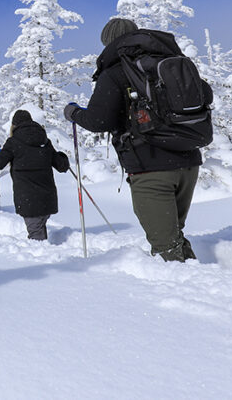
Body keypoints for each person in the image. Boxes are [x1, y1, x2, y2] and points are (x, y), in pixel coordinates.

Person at [63, 17, 212, 262]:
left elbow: (99, 122)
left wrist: (74, 113)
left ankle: (187, 294)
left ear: (109, 42)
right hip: (188, 162)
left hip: (151, 168)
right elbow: (205, 94)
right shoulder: (169, 62)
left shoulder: (115, 71)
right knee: (173, 236)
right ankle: (199, 283)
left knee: (167, 248)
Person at [0, 110, 69, 240]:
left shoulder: (13, 142)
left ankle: (44, 258)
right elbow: (62, 166)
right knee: (39, 229)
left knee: (36, 238)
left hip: (28, 198)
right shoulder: (44, 141)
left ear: (14, 125)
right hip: (47, 197)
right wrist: (62, 156)